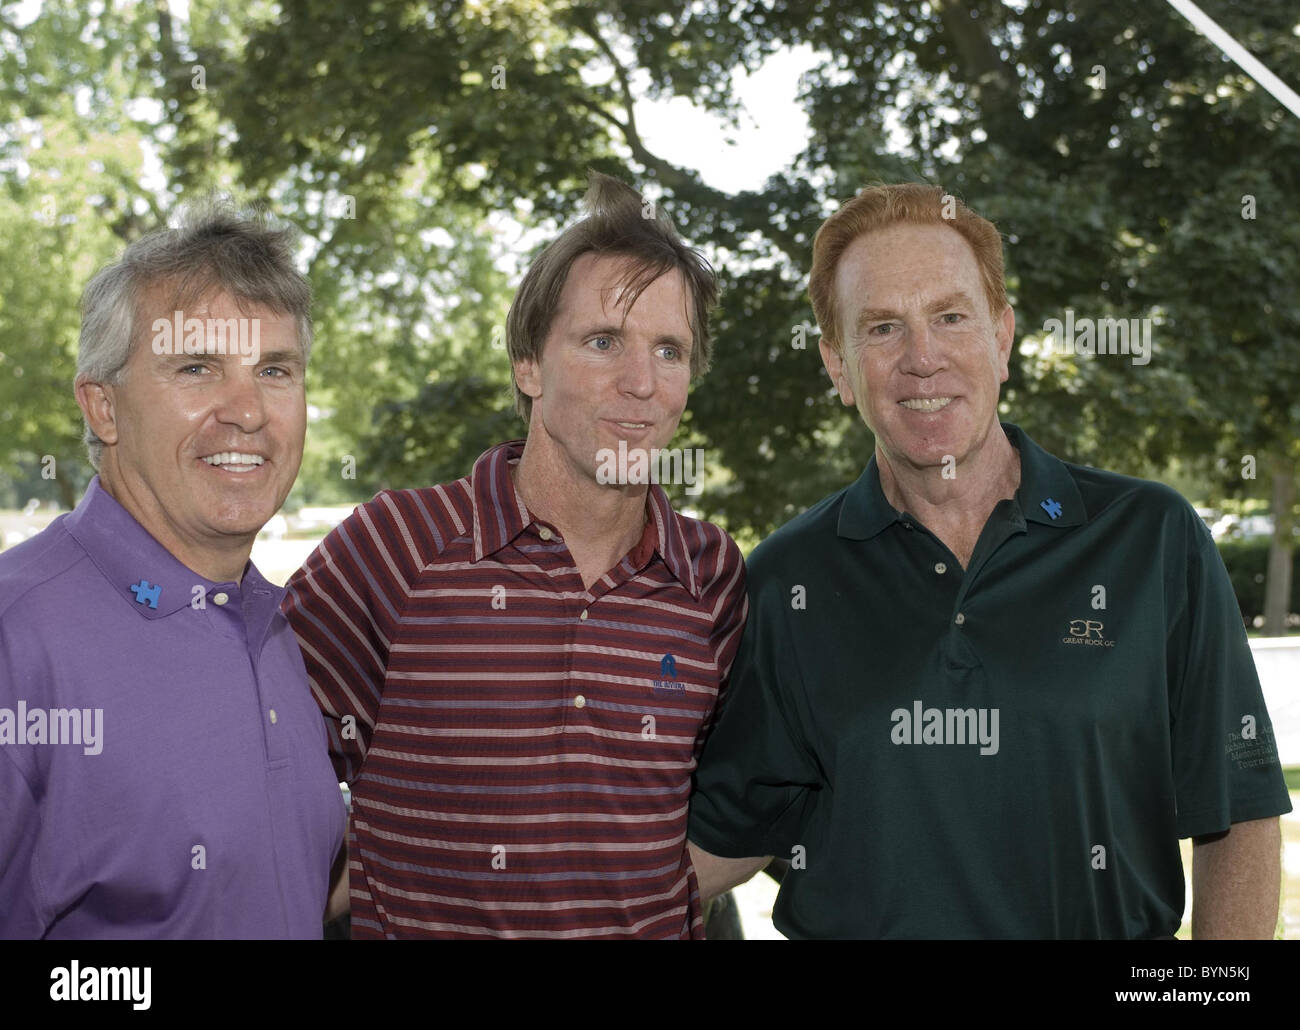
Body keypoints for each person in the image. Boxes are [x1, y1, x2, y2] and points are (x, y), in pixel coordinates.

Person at [686, 183, 1291, 939]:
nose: (923, 358)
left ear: (1002, 339)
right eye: (881, 328)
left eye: (950, 316)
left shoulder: (1150, 538)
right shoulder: (783, 580)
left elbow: (1239, 813)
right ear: (838, 368)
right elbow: (718, 842)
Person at [282, 172, 746, 938]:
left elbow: (735, 809)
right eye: (603, 342)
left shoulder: (714, 578)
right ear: (529, 364)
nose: (641, 382)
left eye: (670, 350)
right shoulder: (394, 549)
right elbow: (256, 769)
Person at [0, 202, 346, 938]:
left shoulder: (276, 630)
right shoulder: (16, 645)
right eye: (197, 367)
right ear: (102, 406)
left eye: (274, 370)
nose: (248, 411)